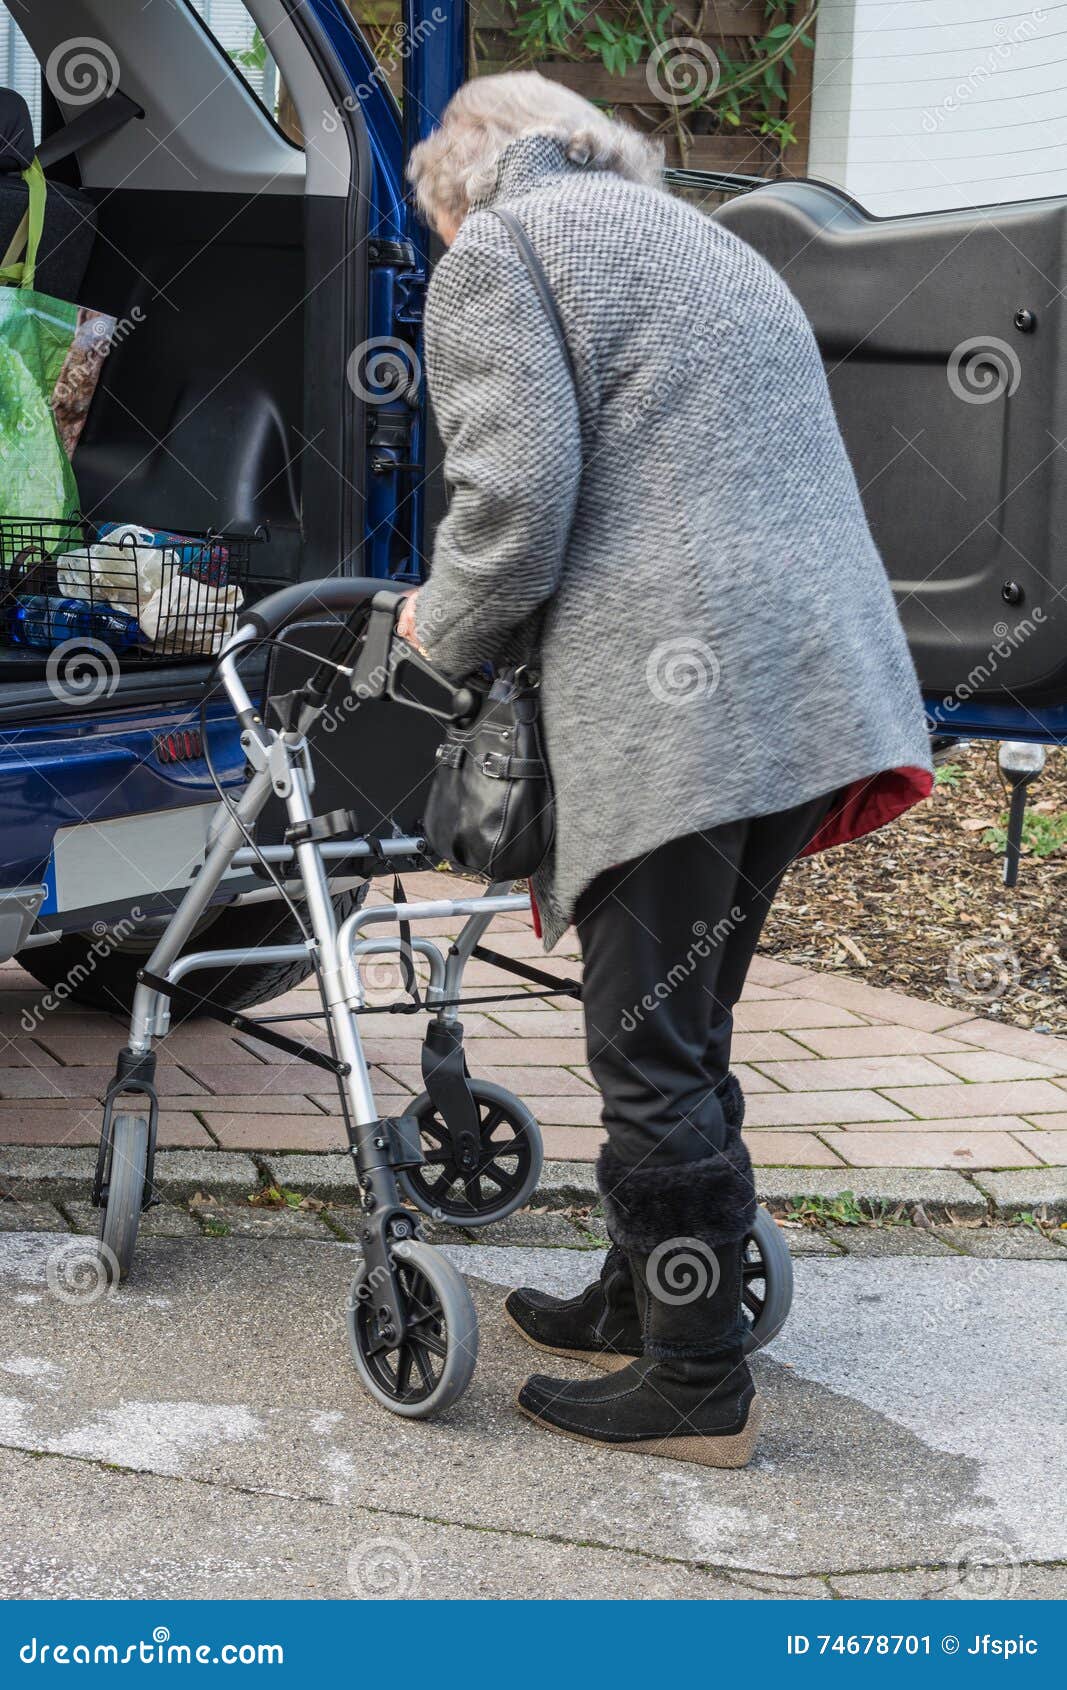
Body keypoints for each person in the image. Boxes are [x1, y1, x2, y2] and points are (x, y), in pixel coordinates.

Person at [400, 72, 932, 1466]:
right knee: (682, 1021)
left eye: (432, 228)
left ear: (461, 188)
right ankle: (655, 1294)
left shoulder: (504, 250)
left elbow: (513, 510)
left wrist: (429, 630)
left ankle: (694, 1384)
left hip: (676, 693)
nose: (440, 254)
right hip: (810, 680)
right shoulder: (701, 237)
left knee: (645, 1040)